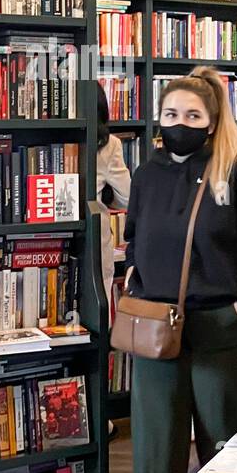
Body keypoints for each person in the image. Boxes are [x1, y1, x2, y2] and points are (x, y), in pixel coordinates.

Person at [124, 66, 237, 473]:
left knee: (224, 441)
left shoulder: (236, 169)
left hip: (220, 327)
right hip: (156, 329)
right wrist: (138, 275)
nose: (181, 123)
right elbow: (133, 236)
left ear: (212, 122)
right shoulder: (147, 173)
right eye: (171, 113)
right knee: (156, 449)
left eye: (193, 116)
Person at [95, 85, 132, 310]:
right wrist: (106, 196)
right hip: (94, 241)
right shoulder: (109, 145)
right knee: (96, 305)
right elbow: (128, 197)